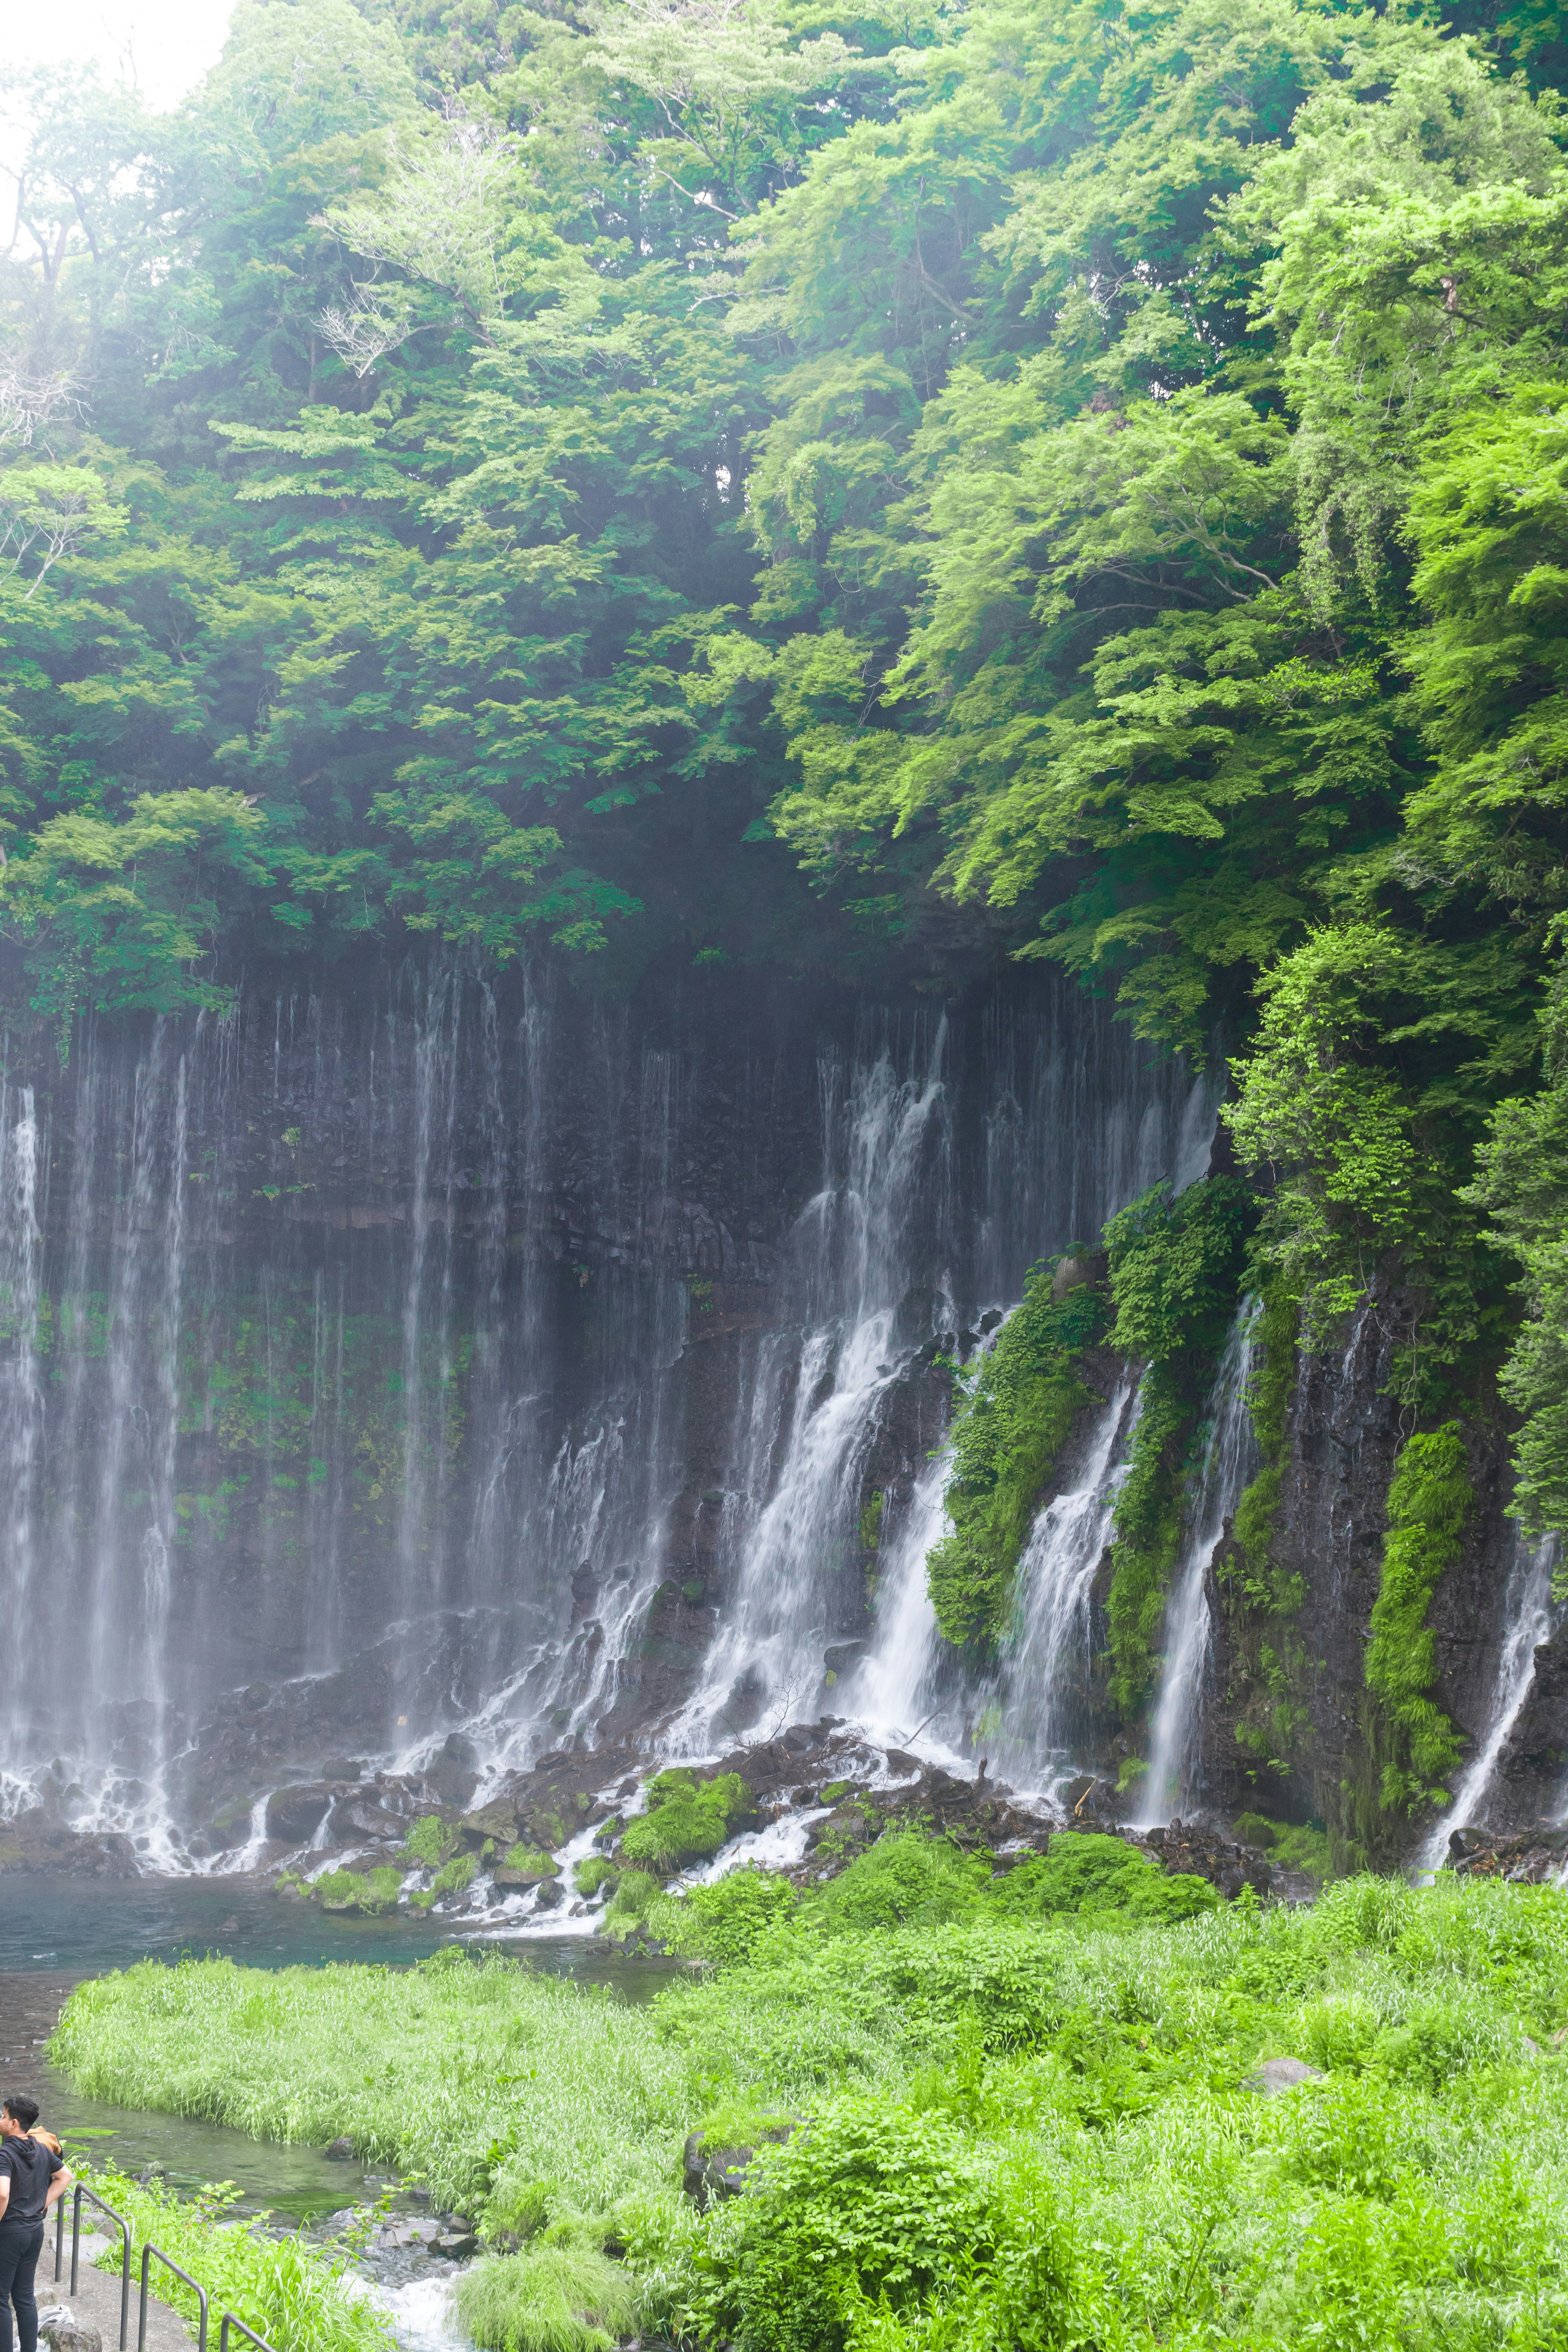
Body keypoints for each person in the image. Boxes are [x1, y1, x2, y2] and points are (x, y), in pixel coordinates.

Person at [0, 2096, 72, 2352]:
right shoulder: (40, 2148)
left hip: (10, 2233)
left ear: (14, 2123)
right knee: (24, 2297)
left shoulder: (6, 2153)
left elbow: (3, 2193)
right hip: (34, 2231)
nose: (2, 2120)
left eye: (4, 2116)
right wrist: (43, 2202)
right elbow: (65, 2176)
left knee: (1, 2299)